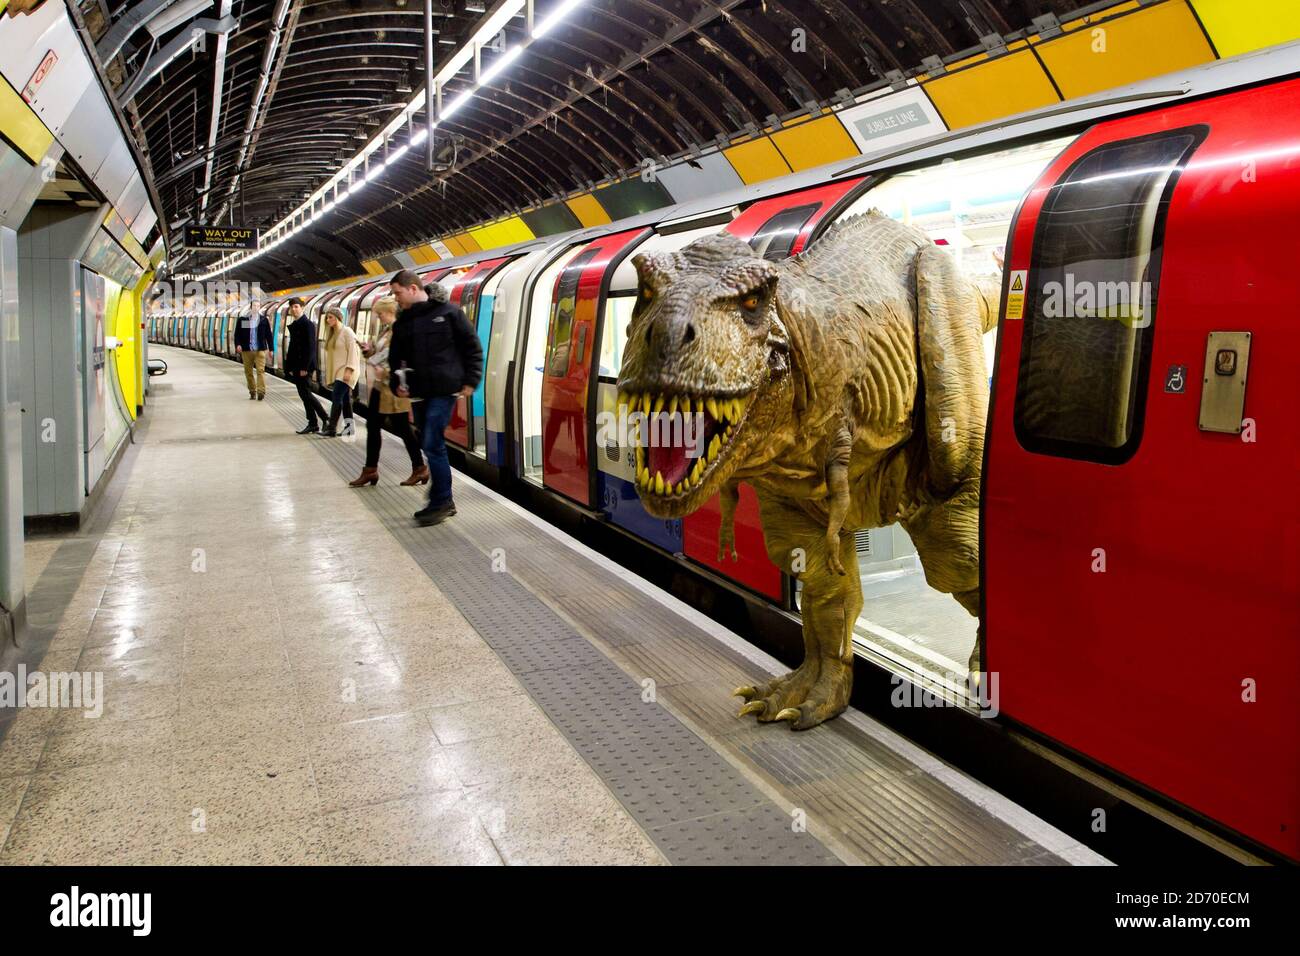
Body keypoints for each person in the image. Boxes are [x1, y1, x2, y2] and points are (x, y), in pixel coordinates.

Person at [387, 271, 482, 526]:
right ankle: (442, 500)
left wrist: (471, 380)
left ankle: (441, 500)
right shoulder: (403, 322)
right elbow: (395, 358)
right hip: (418, 392)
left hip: (444, 389)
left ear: (413, 288)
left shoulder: (449, 313)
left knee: (431, 441)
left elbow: (471, 346)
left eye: (397, 293)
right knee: (429, 441)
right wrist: (396, 382)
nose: (396, 299)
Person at [349, 297, 428, 487]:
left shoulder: (399, 332)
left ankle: (419, 468)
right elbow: (380, 355)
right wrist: (368, 350)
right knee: (374, 427)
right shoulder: (386, 331)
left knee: (402, 428)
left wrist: (383, 370)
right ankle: (371, 470)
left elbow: (402, 360)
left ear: (390, 312)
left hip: (393, 389)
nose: (378, 316)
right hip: (380, 387)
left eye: (380, 313)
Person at [284, 297, 327, 433]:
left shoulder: (307, 324)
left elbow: (310, 348)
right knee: (303, 395)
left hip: (304, 366)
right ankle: (313, 423)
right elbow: (292, 347)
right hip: (297, 366)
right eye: (292, 307)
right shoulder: (296, 323)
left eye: (296, 306)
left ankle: (326, 419)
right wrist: (289, 367)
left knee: (307, 394)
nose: (294, 309)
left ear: (302, 307)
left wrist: (304, 368)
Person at [321, 306, 362, 438]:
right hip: (339, 372)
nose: (328, 320)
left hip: (347, 371)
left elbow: (354, 352)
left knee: (336, 398)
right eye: (327, 317)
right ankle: (350, 429)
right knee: (345, 400)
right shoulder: (333, 333)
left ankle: (331, 428)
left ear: (338, 317)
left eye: (330, 317)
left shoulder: (347, 332)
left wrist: (349, 370)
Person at [234, 304, 273, 400]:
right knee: (248, 372)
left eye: (258, 306)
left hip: (260, 350)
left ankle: (261, 392)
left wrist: (271, 349)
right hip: (247, 350)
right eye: (254, 306)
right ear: (251, 308)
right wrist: (238, 344)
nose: (256, 308)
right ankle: (252, 391)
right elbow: (237, 334)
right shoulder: (243, 320)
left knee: (261, 371)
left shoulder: (263, 320)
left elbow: (269, 335)